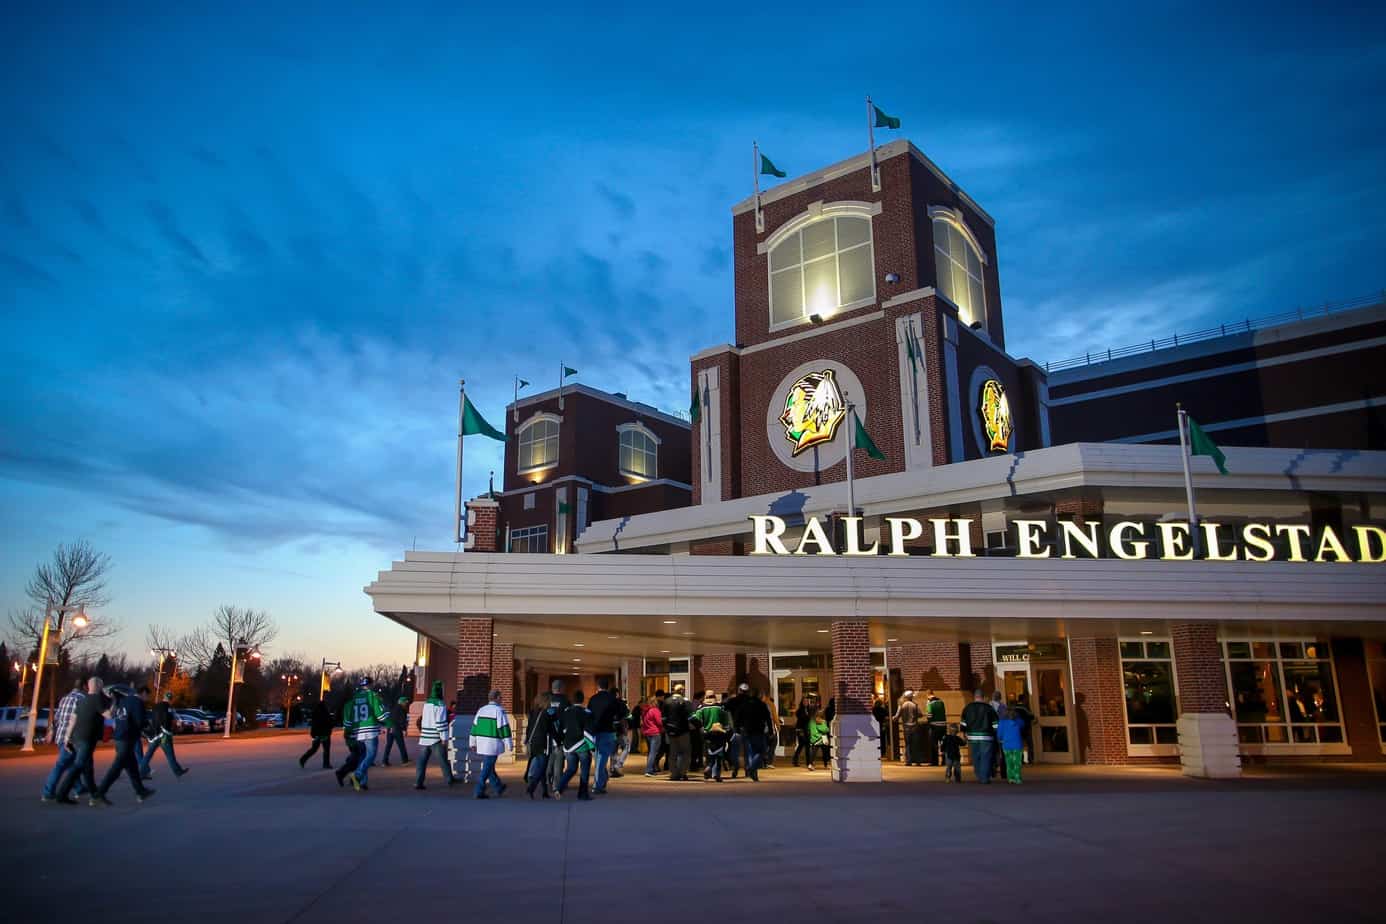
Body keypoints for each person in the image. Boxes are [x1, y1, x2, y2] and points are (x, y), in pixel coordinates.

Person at [95, 685, 155, 805]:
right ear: (142, 693)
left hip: (119, 737)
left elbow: (118, 717)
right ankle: (99, 794)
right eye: (147, 696)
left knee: (132, 767)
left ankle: (140, 791)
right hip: (127, 738)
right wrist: (148, 728)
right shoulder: (137, 702)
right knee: (116, 768)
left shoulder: (123, 700)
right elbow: (140, 721)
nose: (147, 699)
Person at [56, 677, 108, 805]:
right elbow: (109, 715)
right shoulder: (96, 699)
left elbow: (73, 719)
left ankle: (95, 796)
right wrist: (115, 702)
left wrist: (67, 738)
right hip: (87, 738)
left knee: (88, 767)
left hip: (77, 738)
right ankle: (62, 794)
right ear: (99, 686)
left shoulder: (82, 700)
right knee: (79, 765)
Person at [341, 677, 391, 792]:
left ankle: (363, 782)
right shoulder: (372, 696)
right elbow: (380, 715)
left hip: (358, 731)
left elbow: (349, 716)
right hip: (370, 730)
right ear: (370, 684)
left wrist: (349, 731)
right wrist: (388, 722)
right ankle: (357, 775)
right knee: (371, 755)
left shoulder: (354, 698)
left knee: (362, 756)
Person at [41, 680, 87, 803]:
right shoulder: (82, 699)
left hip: (61, 736)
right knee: (61, 765)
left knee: (71, 763)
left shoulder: (64, 698)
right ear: (84, 686)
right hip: (72, 738)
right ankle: (48, 792)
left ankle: (79, 788)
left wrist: (51, 731)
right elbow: (81, 719)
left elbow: (56, 718)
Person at [470, 688, 512, 799]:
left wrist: (472, 742)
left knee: (489, 766)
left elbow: (474, 727)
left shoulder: (481, 710)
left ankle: (498, 787)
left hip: (482, 742)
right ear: (497, 698)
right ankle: (478, 790)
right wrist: (509, 743)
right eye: (501, 697)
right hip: (493, 743)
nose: (502, 699)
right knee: (487, 768)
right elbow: (504, 728)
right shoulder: (499, 710)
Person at [587, 677, 624, 795]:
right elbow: (621, 713)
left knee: (599, 757)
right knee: (602, 758)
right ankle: (598, 784)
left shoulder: (593, 699)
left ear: (598, 687)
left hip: (595, 732)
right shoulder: (613, 699)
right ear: (607, 687)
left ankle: (601, 782)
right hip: (608, 731)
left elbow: (588, 715)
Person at [414, 680, 454, 789]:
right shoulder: (440, 704)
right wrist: (444, 737)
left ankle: (418, 782)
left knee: (422, 761)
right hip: (435, 737)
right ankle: (449, 779)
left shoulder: (427, 703)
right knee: (443, 760)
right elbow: (440, 722)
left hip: (425, 736)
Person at [556, 689, 595, 800]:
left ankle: (559, 788)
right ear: (582, 700)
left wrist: (562, 741)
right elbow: (588, 731)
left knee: (571, 769)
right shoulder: (586, 713)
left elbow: (561, 728)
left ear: (572, 700)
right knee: (584, 770)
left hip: (568, 746)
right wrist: (592, 747)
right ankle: (582, 794)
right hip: (582, 745)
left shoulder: (566, 711)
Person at [140, 691, 188, 780]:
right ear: (170, 699)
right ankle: (178, 771)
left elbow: (152, 719)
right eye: (170, 699)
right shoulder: (168, 707)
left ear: (163, 697)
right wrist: (171, 729)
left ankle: (141, 773)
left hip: (154, 735)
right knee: (170, 755)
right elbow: (167, 720)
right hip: (164, 735)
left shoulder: (155, 706)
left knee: (148, 755)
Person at [526, 692, 564, 799]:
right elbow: (552, 730)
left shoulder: (533, 712)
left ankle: (544, 792)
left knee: (541, 766)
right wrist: (559, 741)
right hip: (543, 743)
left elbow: (529, 728)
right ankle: (532, 787)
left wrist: (527, 741)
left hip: (533, 742)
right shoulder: (548, 713)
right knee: (542, 768)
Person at [960, 689, 999, 783]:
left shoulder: (967, 708)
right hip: (987, 736)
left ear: (974, 697)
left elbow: (963, 723)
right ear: (984, 697)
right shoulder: (989, 708)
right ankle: (984, 777)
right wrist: (996, 734)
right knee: (986, 757)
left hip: (972, 736)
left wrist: (964, 733)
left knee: (976, 756)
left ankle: (979, 775)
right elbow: (995, 725)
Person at [738, 687, 774, 782]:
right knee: (762, 751)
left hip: (747, 731)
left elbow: (738, 716)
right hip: (758, 730)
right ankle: (752, 767)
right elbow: (768, 718)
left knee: (750, 752)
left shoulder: (745, 705)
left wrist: (738, 728)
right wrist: (771, 731)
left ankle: (753, 773)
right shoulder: (762, 705)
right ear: (759, 695)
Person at [662, 685, 693, 781]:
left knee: (673, 753)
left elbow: (663, 718)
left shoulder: (666, 702)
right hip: (683, 731)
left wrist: (667, 728)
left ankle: (674, 773)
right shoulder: (685, 702)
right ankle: (683, 773)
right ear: (681, 691)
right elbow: (690, 716)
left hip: (671, 731)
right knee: (685, 752)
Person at [300, 698, 334, 769]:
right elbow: (329, 723)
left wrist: (313, 734)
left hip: (317, 734)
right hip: (325, 734)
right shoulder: (325, 713)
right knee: (326, 750)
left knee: (314, 749)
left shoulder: (315, 713)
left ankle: (303, 759)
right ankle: (326, 764)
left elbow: (314, 724)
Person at [894, 691, 924, 766]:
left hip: (906, 727)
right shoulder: (915, 705)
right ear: (911, 697)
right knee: (916, 744)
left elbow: (896, 717)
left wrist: (893, 718)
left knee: (908, 744)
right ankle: (917, 761)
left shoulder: (902, 705)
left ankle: (908, 761)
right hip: (914, 727)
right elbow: (920, 715)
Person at [997, 710, 1025, 784]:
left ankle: (1010, 778)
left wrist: (1000, 739)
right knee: (1017, 762)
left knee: (1009, 762)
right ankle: (1017, 777)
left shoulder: (1002, 722)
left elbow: (999, 734)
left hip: (1006, 745)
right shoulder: (1018, 722)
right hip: (1017, 745)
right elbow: (1023, 725)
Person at [382, 695, 411, 766]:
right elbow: (402, 720)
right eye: (406, 703)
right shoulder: (401, 709)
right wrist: (404, 729)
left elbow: (389, 718)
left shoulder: (393, 708)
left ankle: (384, 761)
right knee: (401, 745)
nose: (406, 704)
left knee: (388, 745)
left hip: (390, 728)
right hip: (397, 729)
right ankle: (405, 761)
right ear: (402, 702)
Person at [640, 692, 664, 776]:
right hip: (655, 733)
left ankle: (651, 768)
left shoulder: (645, 711)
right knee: (653, 752)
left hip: (647, 733)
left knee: (650, 752)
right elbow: (659, 722)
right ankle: (649, 770)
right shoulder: (655, 710)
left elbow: (643, 722)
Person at [1011, 695, 1036, 764]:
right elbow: (1031, 715)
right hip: (1025, 728)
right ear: (1024, 699)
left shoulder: (1014, 707)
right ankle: (1028, 759)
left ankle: (1020, 759)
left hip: (1016, 729)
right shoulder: (1024, 708)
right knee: (1027, 745)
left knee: (1019, 744)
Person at [924, 690, 947, 766]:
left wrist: (929, 721)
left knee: (934, 744)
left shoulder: (930, 703)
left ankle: (935, 761)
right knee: (943, 743)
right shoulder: (941, 702)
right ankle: (944, 761)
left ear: (928, 695)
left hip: (934, 726)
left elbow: (929, 715)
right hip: (943, 726)